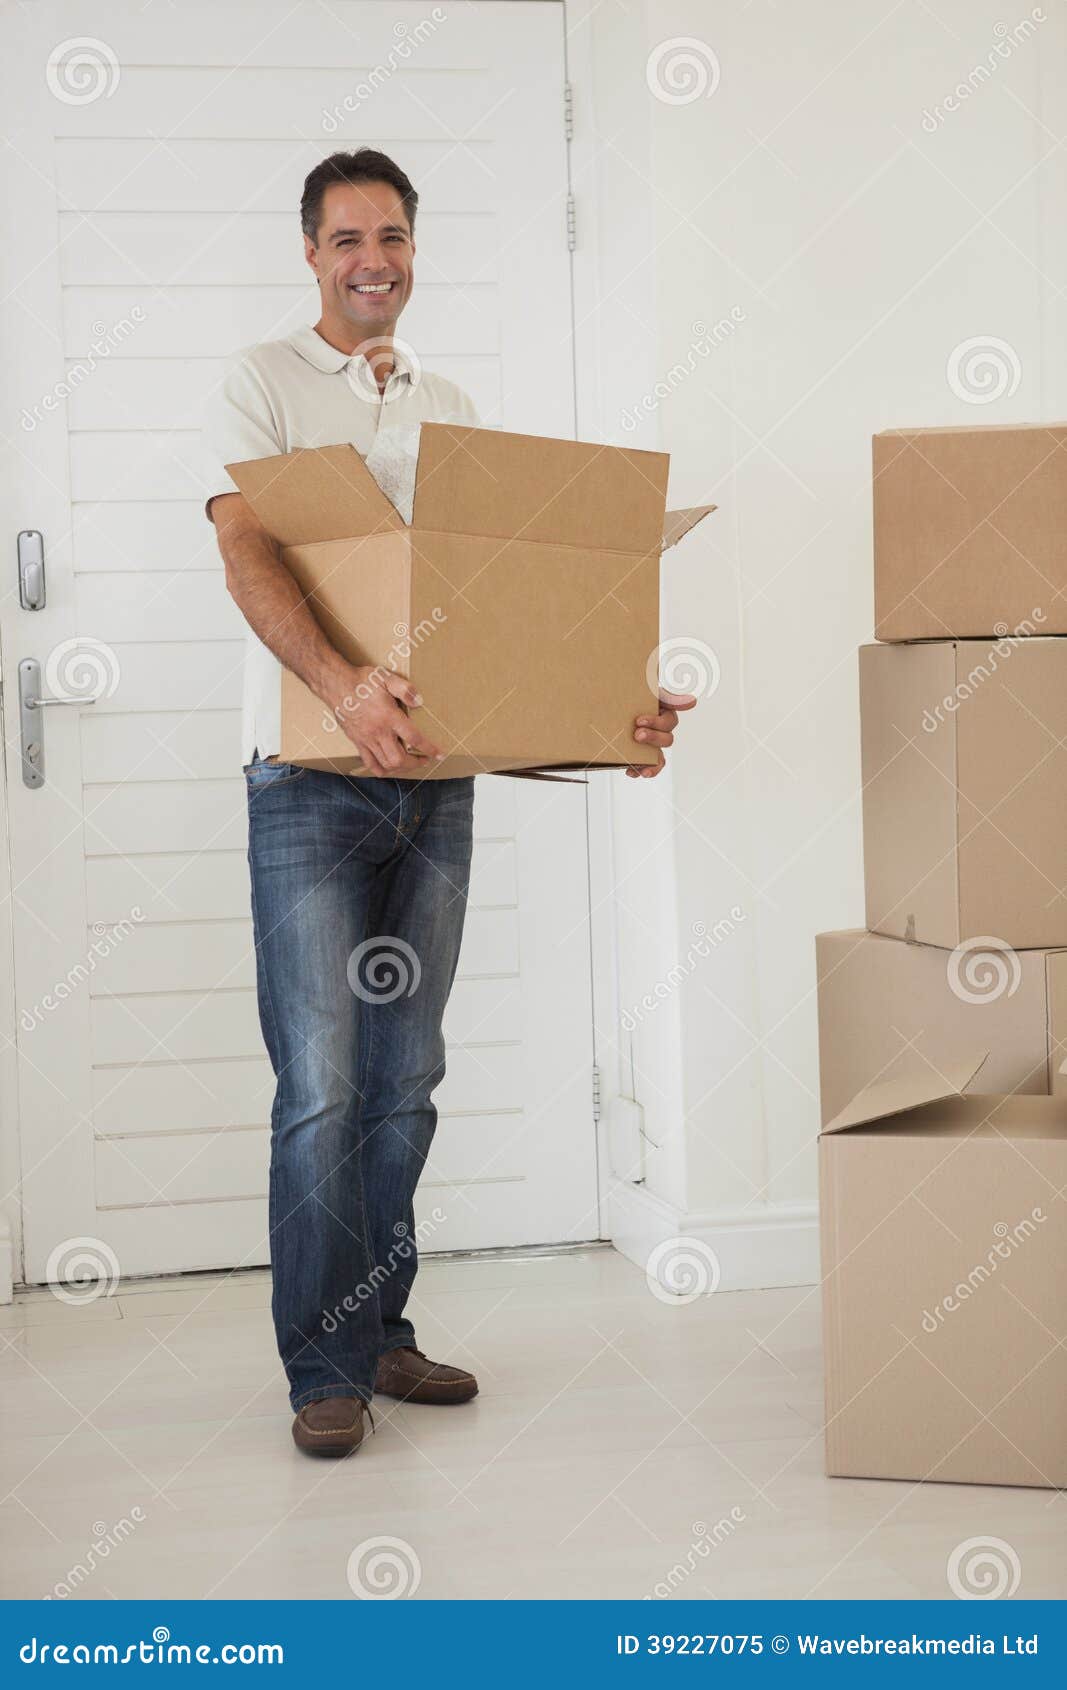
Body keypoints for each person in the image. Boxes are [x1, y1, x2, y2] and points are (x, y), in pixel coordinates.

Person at [202, 148, 694, 1458]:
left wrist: (609, 721)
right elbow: (248, 555)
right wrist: (347, 686)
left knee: (406, 1076)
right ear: (311, 252)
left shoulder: (453, 398)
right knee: (321, 1083)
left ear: (415, 251)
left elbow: (498, 619)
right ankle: (322, 1367)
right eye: (351, 237)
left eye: (397, 237)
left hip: (436, 790)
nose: (377, 259)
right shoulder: (259, 381)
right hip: (309, 789)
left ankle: (380, 1330)